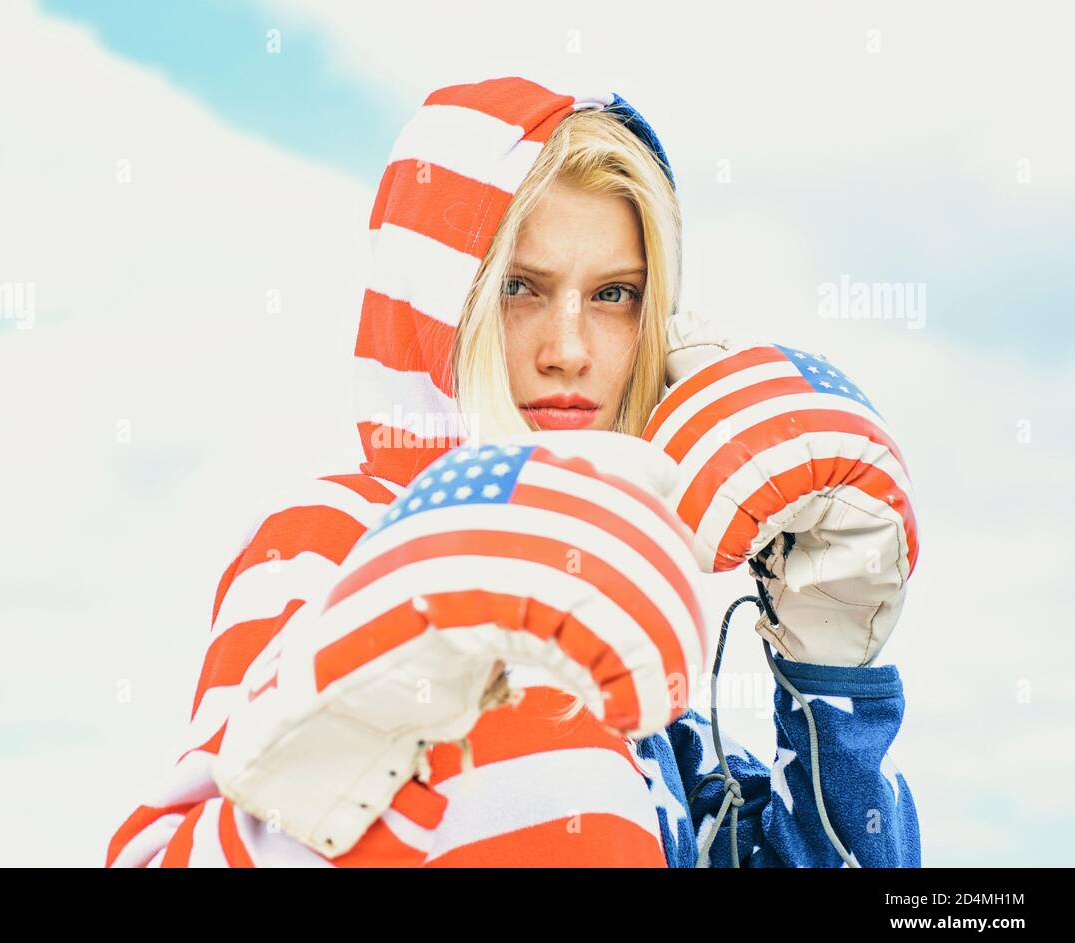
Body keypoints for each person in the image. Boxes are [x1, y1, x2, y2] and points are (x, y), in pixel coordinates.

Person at [106, 76, 922, 868]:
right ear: (437, 304)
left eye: (614, 295)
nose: (566, 349)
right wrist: (370, 707)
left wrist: (833, 664)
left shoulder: (640, 683)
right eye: (520, 287)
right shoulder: (333, 536)